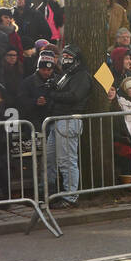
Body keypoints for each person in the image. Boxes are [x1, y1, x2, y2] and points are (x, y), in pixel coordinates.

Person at [44, 45, 91, 207]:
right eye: (64, 57)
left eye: (69, 57)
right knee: (50, 159)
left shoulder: (82, 76)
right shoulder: (66, 75)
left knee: (67, 160)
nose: (66, 60)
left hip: (69, 119)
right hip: (56, 120)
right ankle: (50, 193)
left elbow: (75, 96)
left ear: (77, 59)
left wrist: (53, 94)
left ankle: (70, 197)